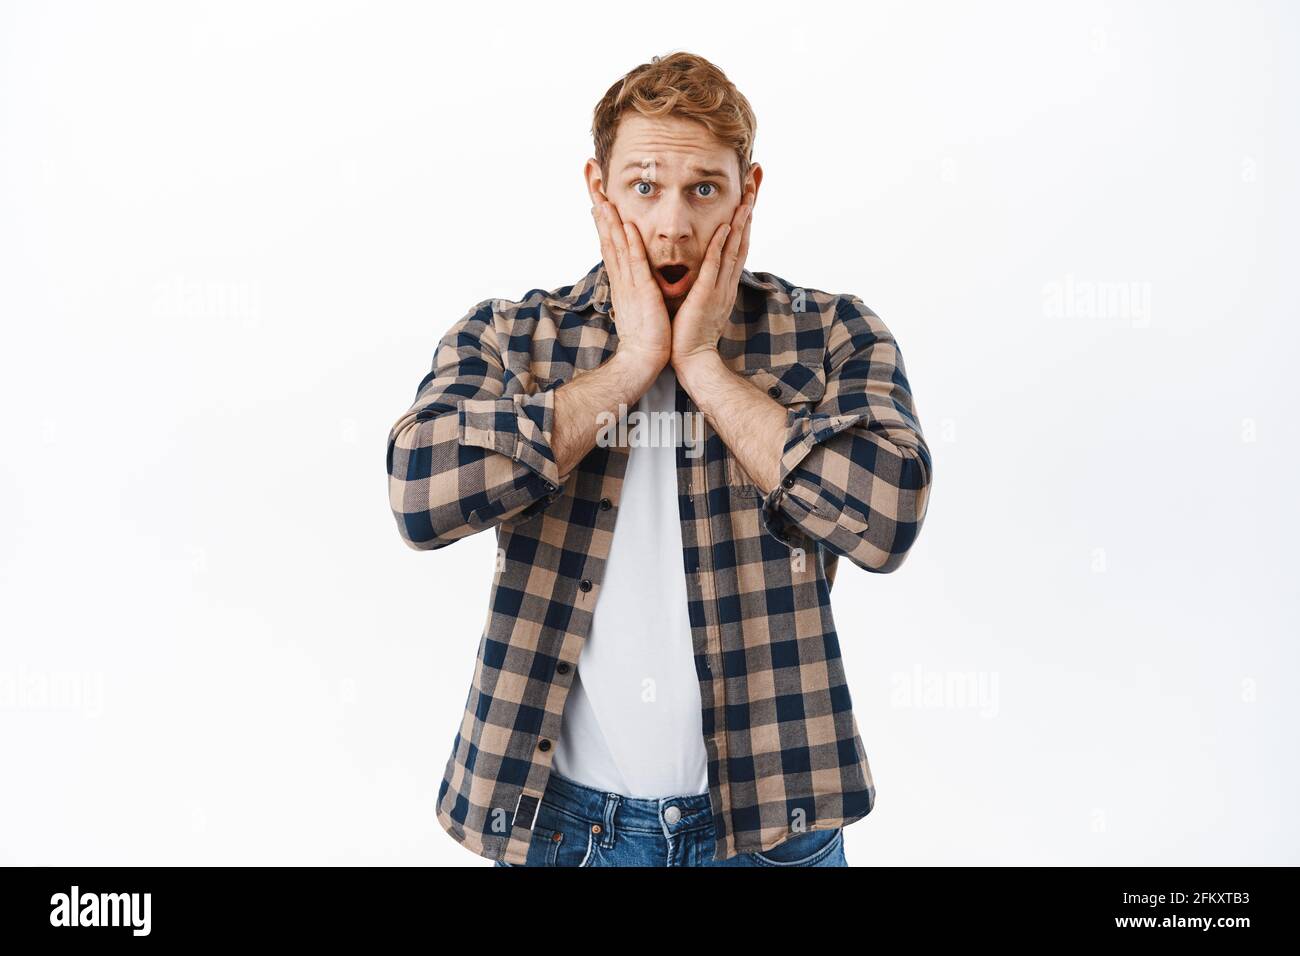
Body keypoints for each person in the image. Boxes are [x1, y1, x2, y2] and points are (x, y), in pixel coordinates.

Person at [385, 51, 933, 867]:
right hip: (565, 830)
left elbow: (887, 521)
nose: (673, 226)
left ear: (747, 193)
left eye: (703, 189)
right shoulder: (511, 335)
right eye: (644, 187)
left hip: (774, 827)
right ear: (599, 190)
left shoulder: (832, 333)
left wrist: (705, 366)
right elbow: (419, 496)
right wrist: (632, 363)